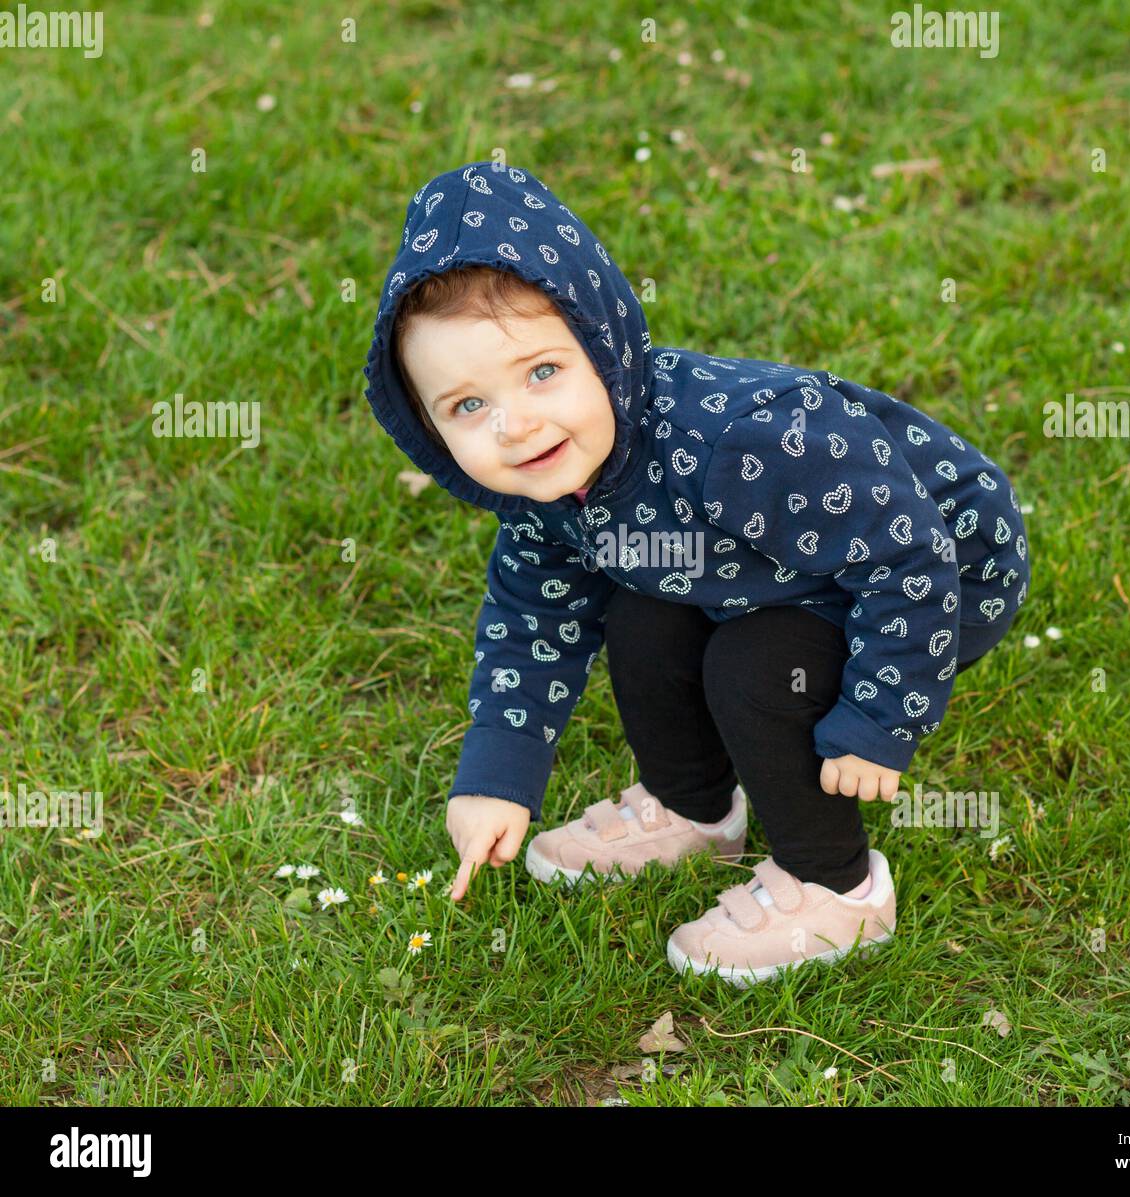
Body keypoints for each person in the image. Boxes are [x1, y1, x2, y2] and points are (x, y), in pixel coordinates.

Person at [362, 161, 1030, 986]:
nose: (515, 426)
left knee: (755, 669)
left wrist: (881, 715)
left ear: (601, 343)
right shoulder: (545, 492)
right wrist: (499, 775)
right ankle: (695, 804)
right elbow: (533, 622)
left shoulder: (735, 445)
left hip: (934, 564)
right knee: (643, 617)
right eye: (467, 405)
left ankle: (837, 887)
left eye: (542, 372)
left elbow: (908, 551)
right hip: (766, 560)